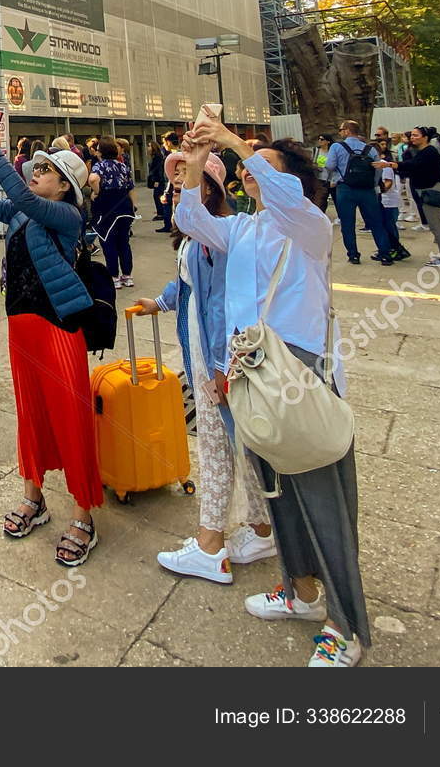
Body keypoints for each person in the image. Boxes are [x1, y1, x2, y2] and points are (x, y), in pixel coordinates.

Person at [176, 112, 370, 668]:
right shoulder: (244, 228)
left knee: (323, 501)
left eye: (265, 163)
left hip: (300, 374)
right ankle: (301, 591)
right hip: (252, 375)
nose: (250, 170)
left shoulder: (308, 228)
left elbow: (285, 191)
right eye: (248, 165)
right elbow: (192, 217)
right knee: (278, 493)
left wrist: (235, 142)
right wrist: (193, 165)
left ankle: (345, 624)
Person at [130, 152, 276, 585]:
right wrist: (159, 301)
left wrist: (217, 368)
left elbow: (218, 305)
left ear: (210, 188)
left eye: (187, 183)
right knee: (238, 442)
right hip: (208, 353)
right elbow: (188, 285)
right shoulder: (204, 236)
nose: (176, 192)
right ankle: (261, 527)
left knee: (218, 445)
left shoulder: (217, 238)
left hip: (215, 357)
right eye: (175, 184)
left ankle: (211, 546)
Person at [0, 129, 102, 569]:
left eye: (44, 170)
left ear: (64, 184)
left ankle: (84, 512)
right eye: (36, 168)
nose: (36, 173)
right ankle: (35, 498)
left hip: (59, 328)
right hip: (23, 325)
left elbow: (26, 203)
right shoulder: (24, 214)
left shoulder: (66, 215)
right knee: (31, 415)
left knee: (71, 416)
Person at [326, 120, 394, 265]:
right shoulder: (370, 149)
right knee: (376, 222)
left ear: (347, 131)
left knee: (347, 223)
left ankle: (353, 255)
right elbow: (378, 168)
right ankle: (384, 253)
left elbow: (330, 165)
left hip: (345, 188)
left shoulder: (337, 147)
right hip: (367, 190)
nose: (340, 133)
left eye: (341, 130)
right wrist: (374, 184)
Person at [89, 136, 137, 288]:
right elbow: (131, 187)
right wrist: (133, 206)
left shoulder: (100, 166)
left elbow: (92, 179)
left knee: (108, 241)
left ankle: (114, 276)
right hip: (124, 206)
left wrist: (96, 192)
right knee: (124, 242)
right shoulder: (122, 166)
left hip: (107, 207)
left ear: (101, 151)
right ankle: (127, 275)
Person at [147, 136, 170, 232]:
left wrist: (157, 180)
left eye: (149, 146)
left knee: (158, 196)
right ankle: (160, 213)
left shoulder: (158, 157)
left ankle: (161, 214)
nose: (148, 148)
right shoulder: (155, 156)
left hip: (159, 180)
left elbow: (159, 169)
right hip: (158, 179)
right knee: (157, 196)